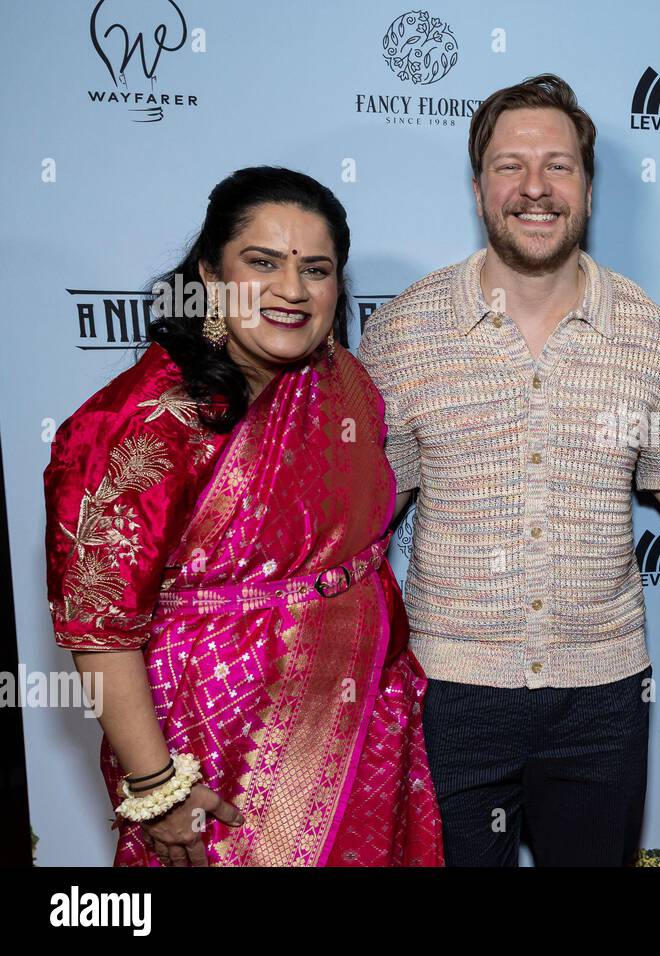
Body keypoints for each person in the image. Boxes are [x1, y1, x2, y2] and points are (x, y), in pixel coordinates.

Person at [44, 167, 443, 867]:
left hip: (364, 717)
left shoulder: (345, 381)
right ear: (209, 272)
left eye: (316, 269)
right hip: (214, 743)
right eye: (263, 263)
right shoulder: (140, 426)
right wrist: (158, 791)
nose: (292, 290)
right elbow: (101, 630)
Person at [358, 75, 660, 867]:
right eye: (511, 166)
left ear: (588, 186)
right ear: (479, 186)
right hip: (448, 693)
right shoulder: (404, 331)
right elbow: (373, 511)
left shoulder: (653, 336)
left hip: (603, 698)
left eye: (558, 165)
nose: (535, 188)